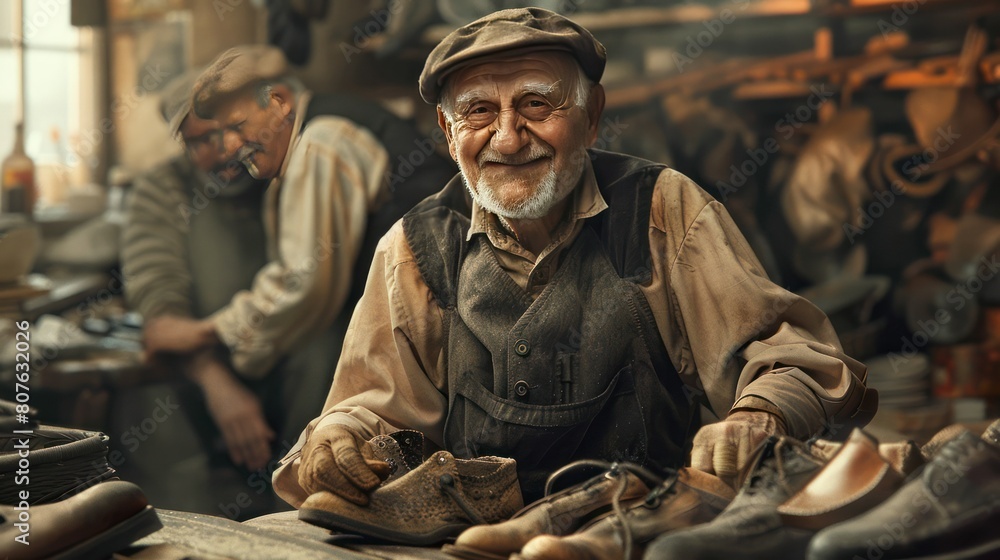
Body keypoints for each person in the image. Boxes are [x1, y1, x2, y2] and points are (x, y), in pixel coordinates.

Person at [272, 7, 877, 507]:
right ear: (448, 131)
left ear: (591, 117)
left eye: (538, 104)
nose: (507, 138)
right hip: (477, 543)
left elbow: (797, 360)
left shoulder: (663, 208)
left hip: (644, 530)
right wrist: (340, 437)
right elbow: (369, 408)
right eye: (479, 112)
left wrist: (760, 414)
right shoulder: (416, 245)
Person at [142, 44, 454, 387]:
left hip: (435, 335)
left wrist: (209, 332)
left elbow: (303, 284)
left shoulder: (319, 144)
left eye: (238, 126)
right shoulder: (303, 141)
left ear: (279, 102)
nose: (229, 147)